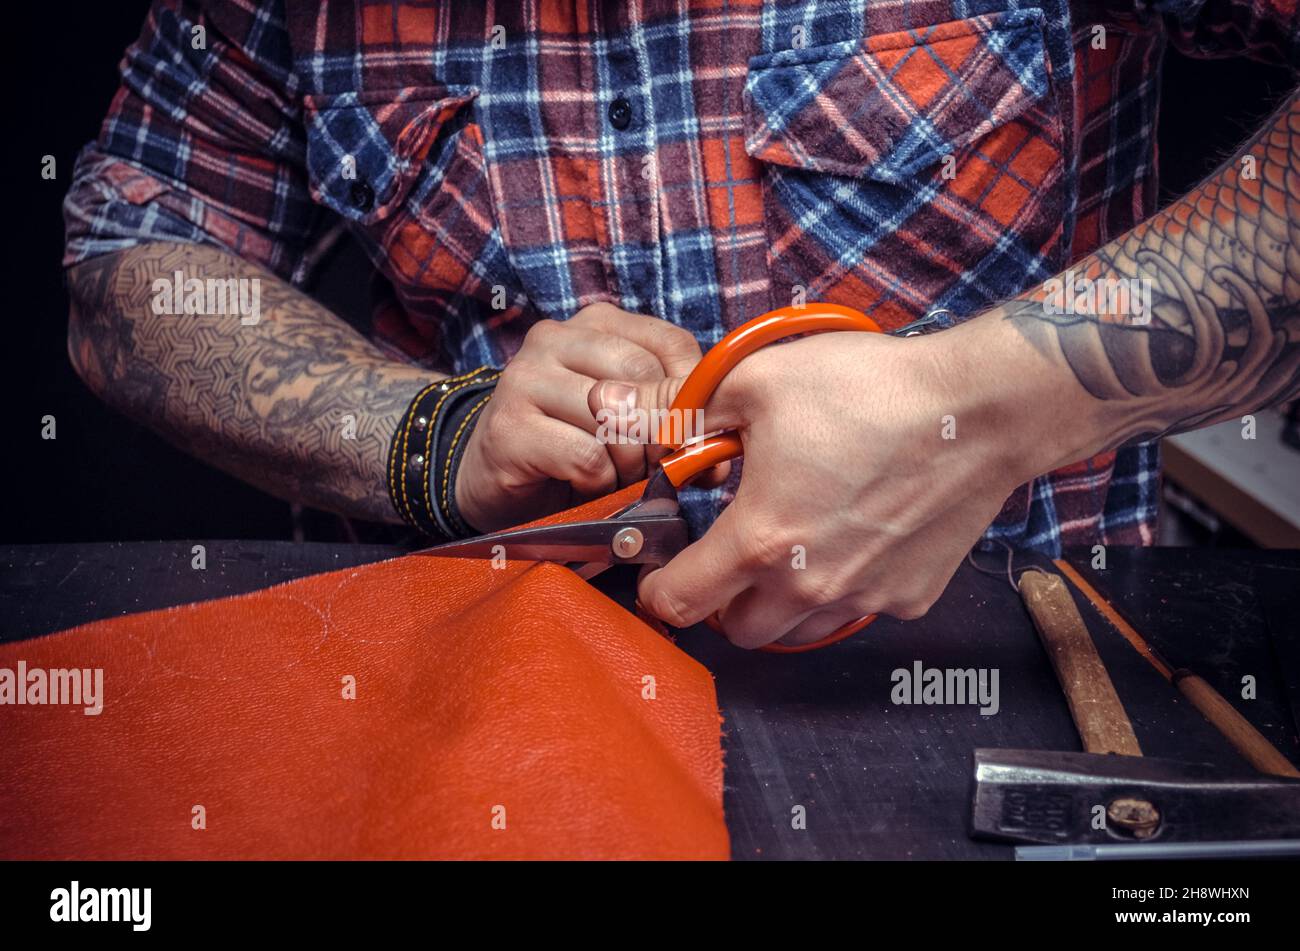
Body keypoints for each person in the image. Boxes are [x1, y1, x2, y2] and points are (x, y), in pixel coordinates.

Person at [64, 1, 1298, 648]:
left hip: (1036, 673)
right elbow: (133, 255)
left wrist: (978, 408)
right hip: (497, 684)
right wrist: (433, 438)